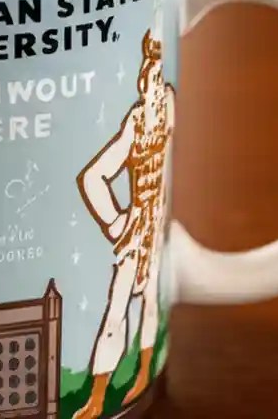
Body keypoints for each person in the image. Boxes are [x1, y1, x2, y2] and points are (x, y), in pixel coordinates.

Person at [74, 29, 176, 418]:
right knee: (116, 312)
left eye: (156, 70)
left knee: (151, 303)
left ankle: (143, 375)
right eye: (148, 73)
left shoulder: (169, 104)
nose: (152, 80)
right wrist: (116, 222)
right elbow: (93, 176)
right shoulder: (137, 122)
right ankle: (98, 397)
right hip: (136, 230)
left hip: (156, 222)